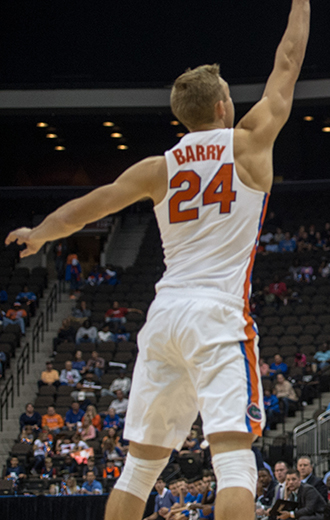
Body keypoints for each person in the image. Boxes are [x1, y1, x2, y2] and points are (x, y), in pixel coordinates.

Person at [3, 3, 312, 519]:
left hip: (165, 314)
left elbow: (89, 207)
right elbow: (288, 61)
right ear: (220, 106)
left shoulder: (158, 168)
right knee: (234, 460)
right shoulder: (249, 142)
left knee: (139, 469)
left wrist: (39, 233)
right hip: (216, 313)